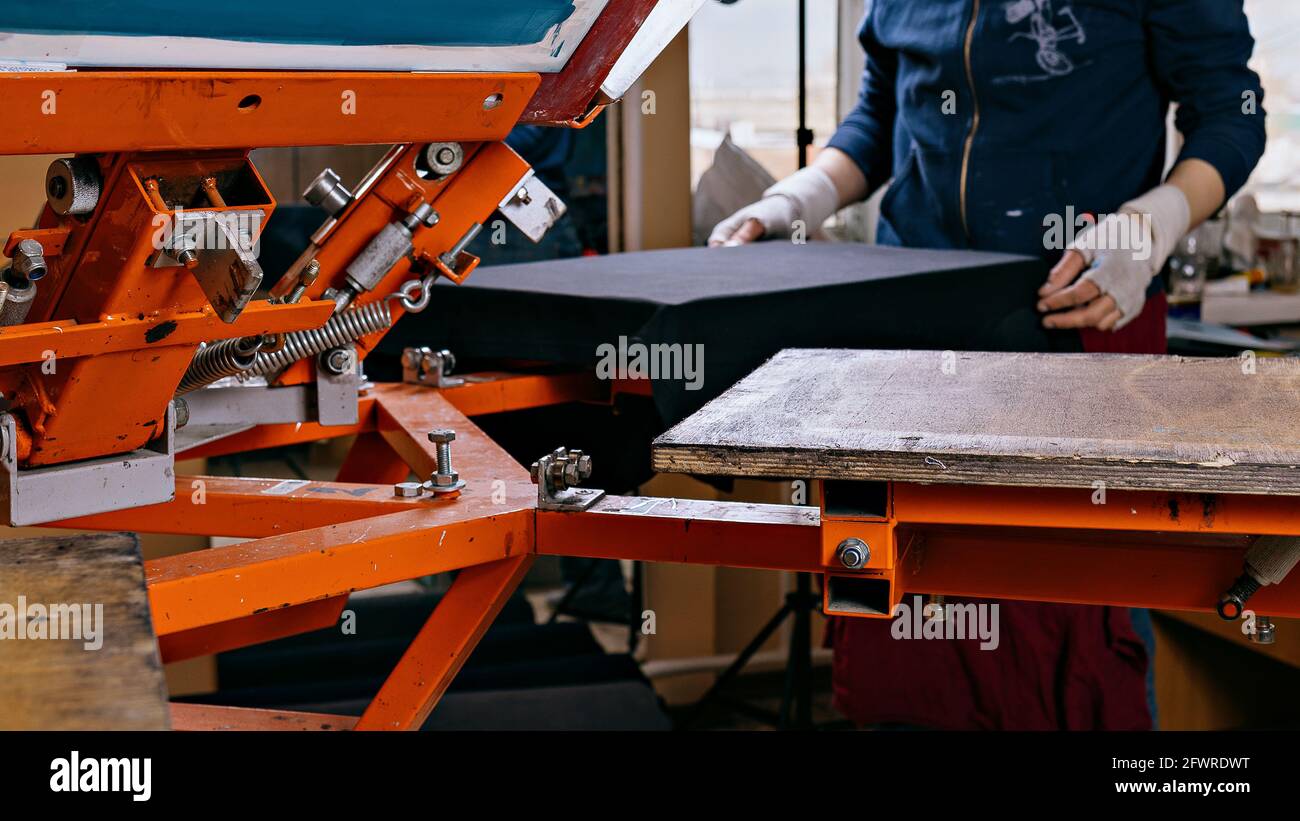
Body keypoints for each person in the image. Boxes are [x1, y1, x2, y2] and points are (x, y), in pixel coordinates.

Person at [710, 0, 1266, 729]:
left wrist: (1152, 224)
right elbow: (882, 114)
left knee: (1078, 614)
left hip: (1077, 328)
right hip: (910, 347)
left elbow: (1233, 112)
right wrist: (796, 198)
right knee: (903, 597)